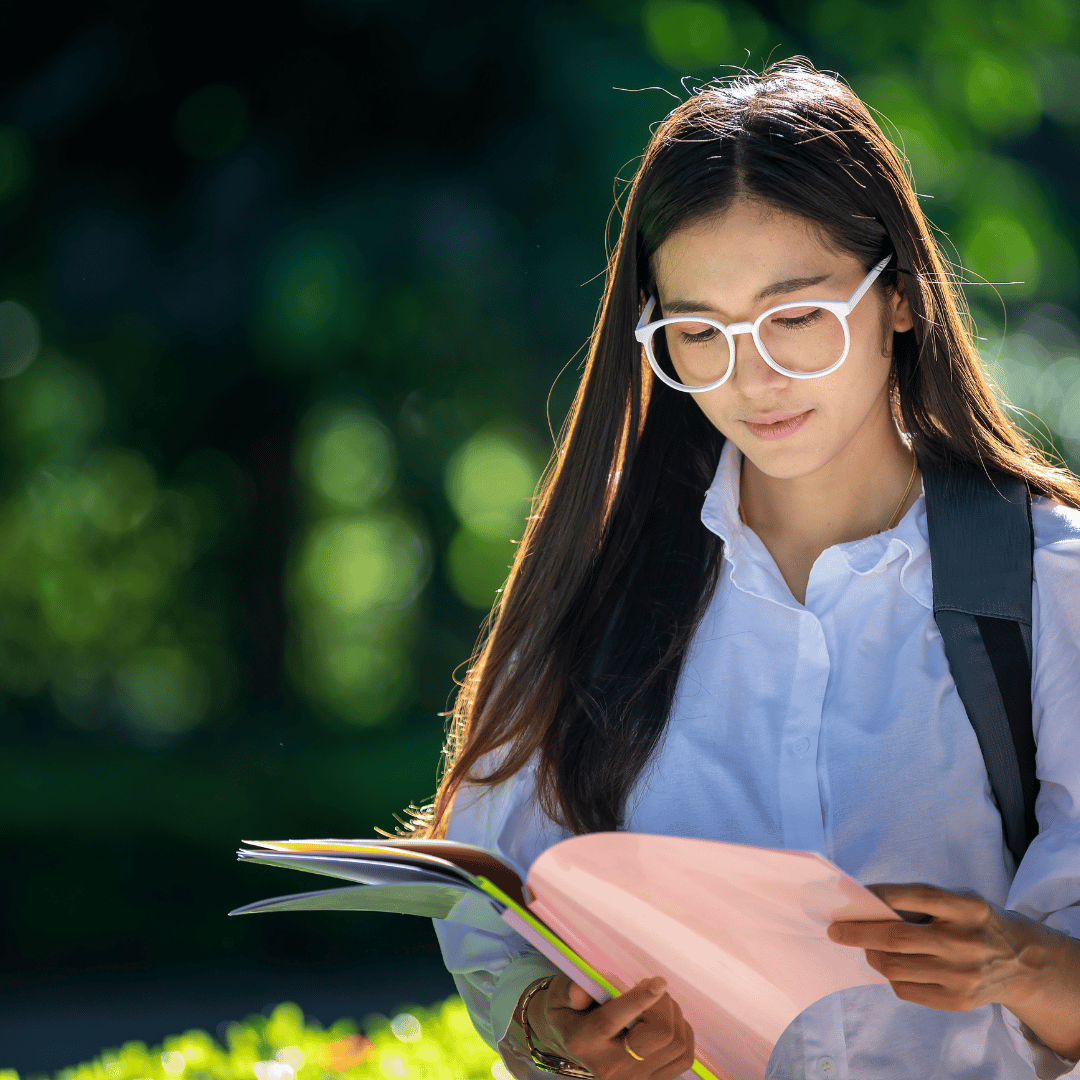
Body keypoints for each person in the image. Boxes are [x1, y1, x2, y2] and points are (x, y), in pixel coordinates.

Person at [410, 60, 1080, 1079]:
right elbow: (492, 912)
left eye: (795, 315)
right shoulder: (600, 581)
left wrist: (1021, 965)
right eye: (698, 332)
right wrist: (561, 1033)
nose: (751, 376)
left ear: (898, 297)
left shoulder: (1049, 583)